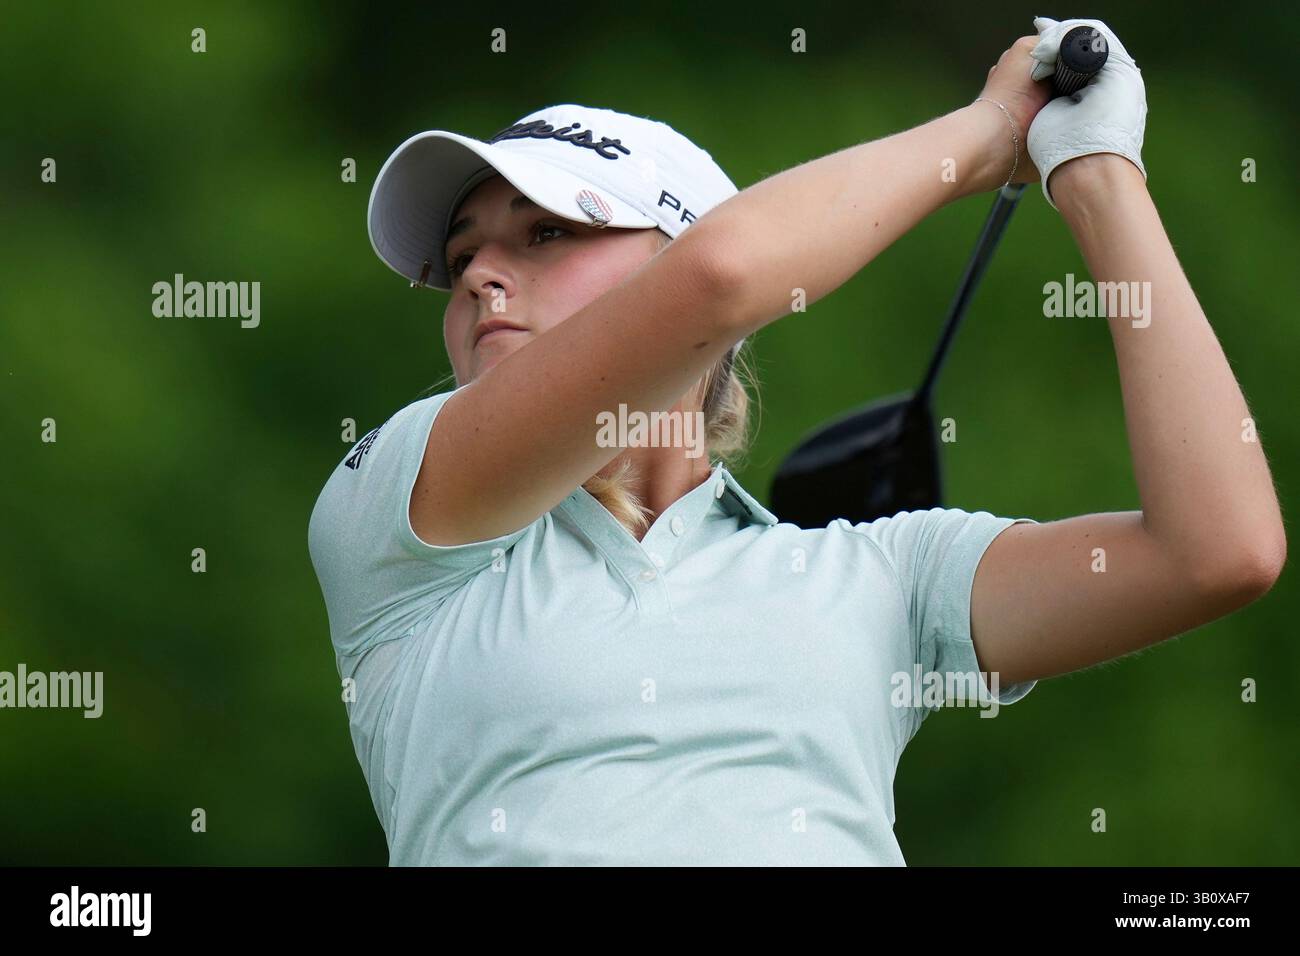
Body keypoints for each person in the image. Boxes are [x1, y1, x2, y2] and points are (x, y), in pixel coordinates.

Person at [308, 18, 1285, 865]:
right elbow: (725, 273)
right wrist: (987, 134)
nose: (480, 274)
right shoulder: (398, 522)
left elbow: (1215, 550)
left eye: (546, 234)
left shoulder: (878, 574)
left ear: (672, 253)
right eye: (462, 253)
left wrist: (1097, 172)